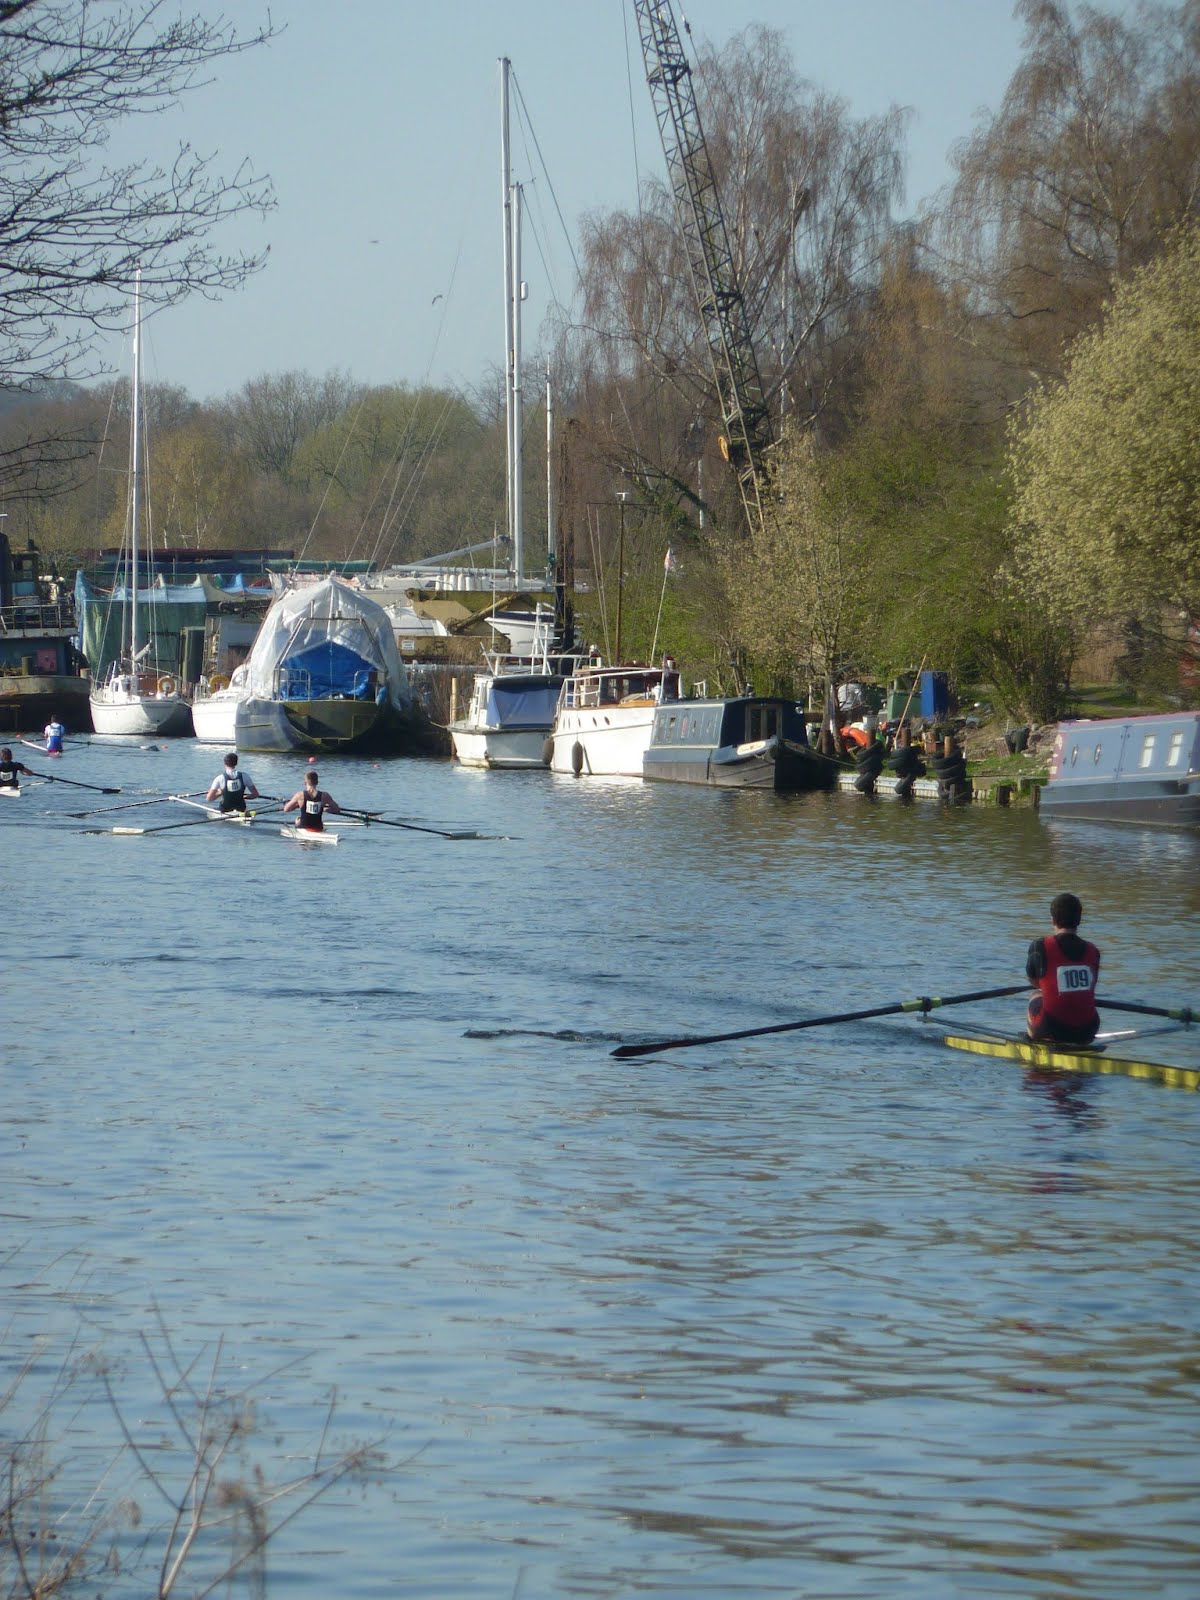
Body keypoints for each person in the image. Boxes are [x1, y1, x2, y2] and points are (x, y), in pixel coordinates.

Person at [1026, 892, 1100, 1045]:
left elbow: (1033, 980)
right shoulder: (1093, 951)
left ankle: (1032, 1038)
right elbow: (1092, 984)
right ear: (1079, 920)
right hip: (1089, 1028)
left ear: (1053, 920)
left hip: (1052, 1027)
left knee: (1035, 994)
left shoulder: (1040, 946)